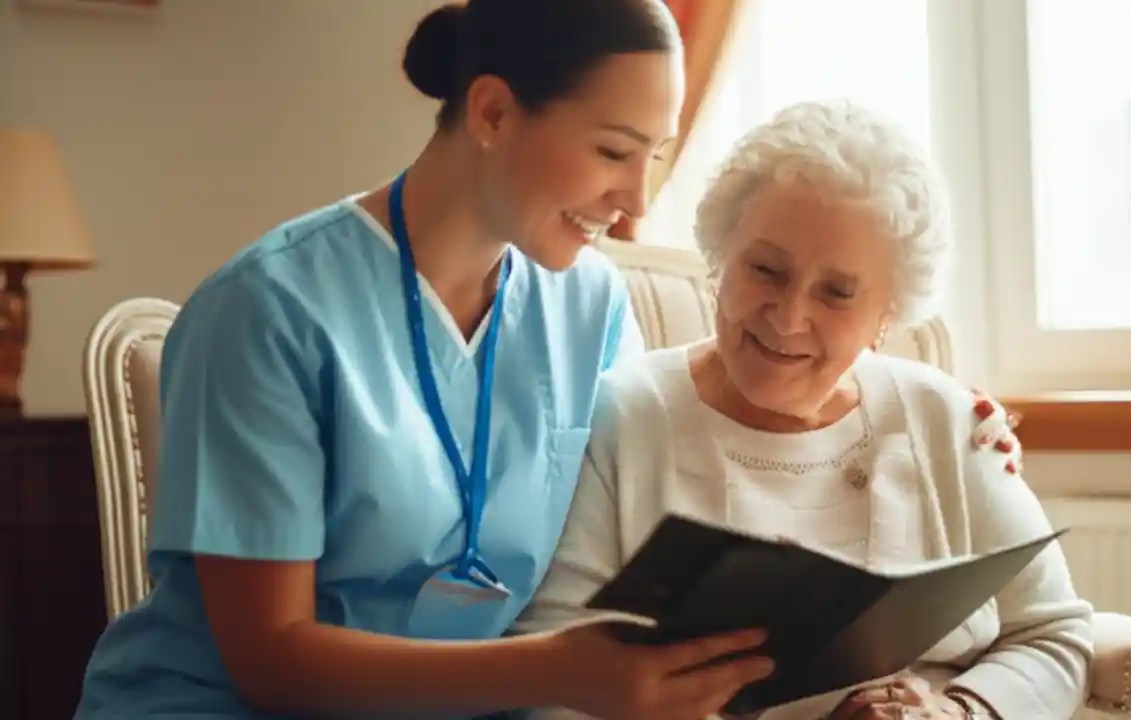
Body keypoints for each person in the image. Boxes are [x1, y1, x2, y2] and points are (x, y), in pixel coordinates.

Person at [74, 2, 779, 718]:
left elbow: (624, 546)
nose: (634, 198)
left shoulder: (589, 303)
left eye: (654, 158)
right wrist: (552, 673)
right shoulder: (269, 310)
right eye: (612, 152)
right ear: (494, 113)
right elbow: (271, 658)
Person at [516, 100, 1093, 720]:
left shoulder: (947, 419)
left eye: (837, 292)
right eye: (766, 270)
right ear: (721, 260)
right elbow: (553, 682)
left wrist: (960, 713)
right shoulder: (621, 418)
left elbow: (1053, 632)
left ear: (887, 314)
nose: (789, 317)